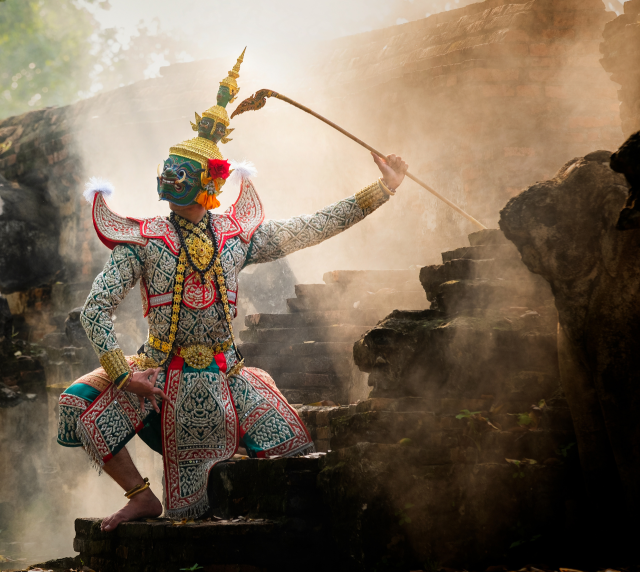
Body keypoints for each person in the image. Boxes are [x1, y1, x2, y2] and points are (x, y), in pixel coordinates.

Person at [56, 51, 409, 531]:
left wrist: (382, 189)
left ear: (209, 182)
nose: (169, 177)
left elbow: (312, 226)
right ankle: (140, 496)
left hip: (227, 370)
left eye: (180, 171)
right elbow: (94, 310)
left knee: (290, 467)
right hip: (156, 372)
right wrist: (123, 376)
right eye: (167, 169)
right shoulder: (143, 239)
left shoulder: (235, 237)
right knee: (75, 405)